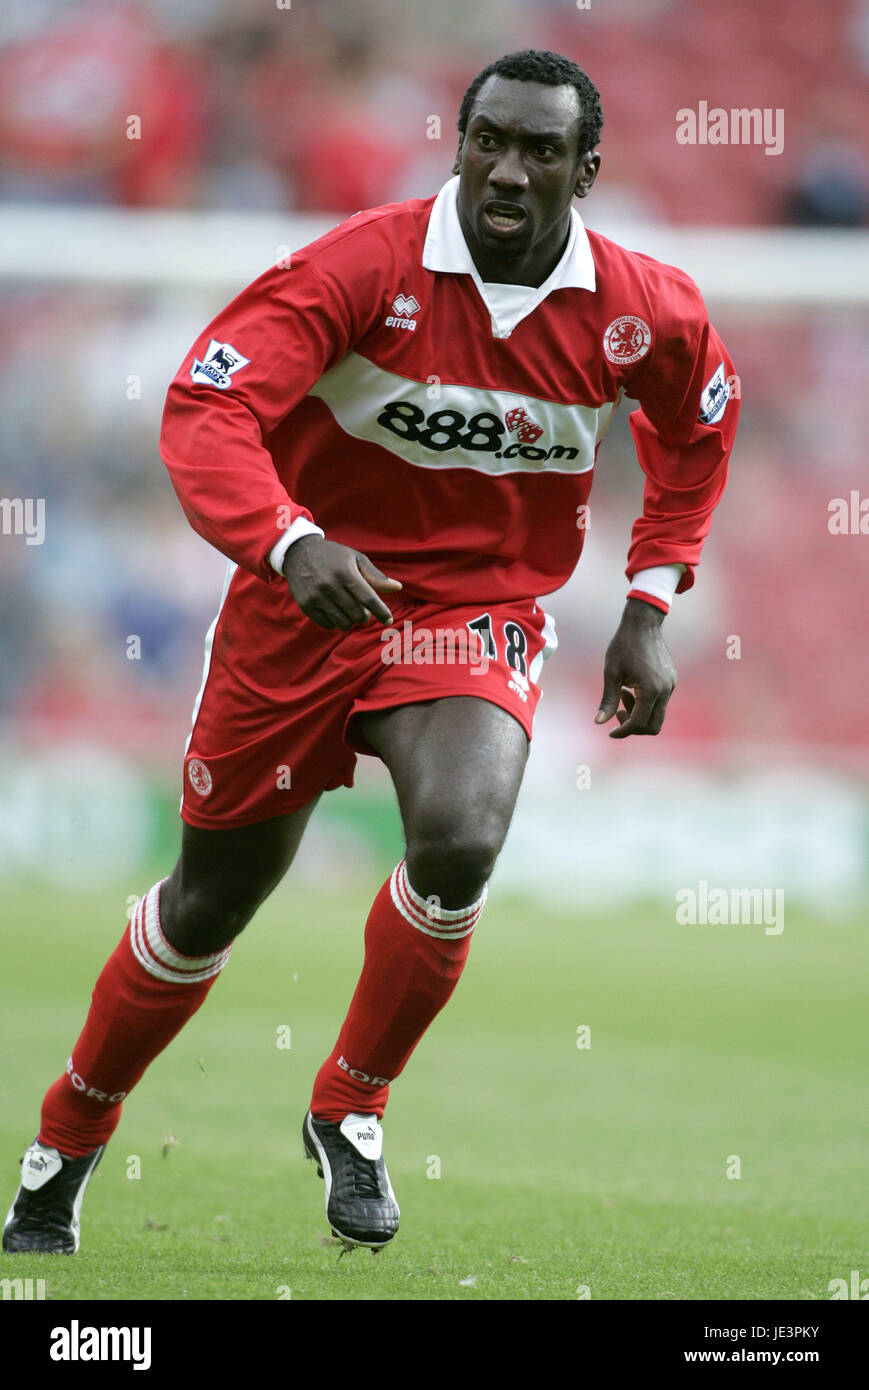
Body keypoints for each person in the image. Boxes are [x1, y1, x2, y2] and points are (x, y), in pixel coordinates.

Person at [3, 48, 738, 1256]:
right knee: (205, 909)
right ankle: (66, 1137)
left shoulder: (641, 310)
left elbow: (698, 431)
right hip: (300, 608)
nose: (506, 168)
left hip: (473, 610)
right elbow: (206, 406)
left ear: (585, 169)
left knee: (459, 836)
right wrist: (290, 543)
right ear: (458, 144)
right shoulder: (364, 264)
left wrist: (649, 608)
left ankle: (348, 1105)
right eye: (486, 139)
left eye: (538, 149)